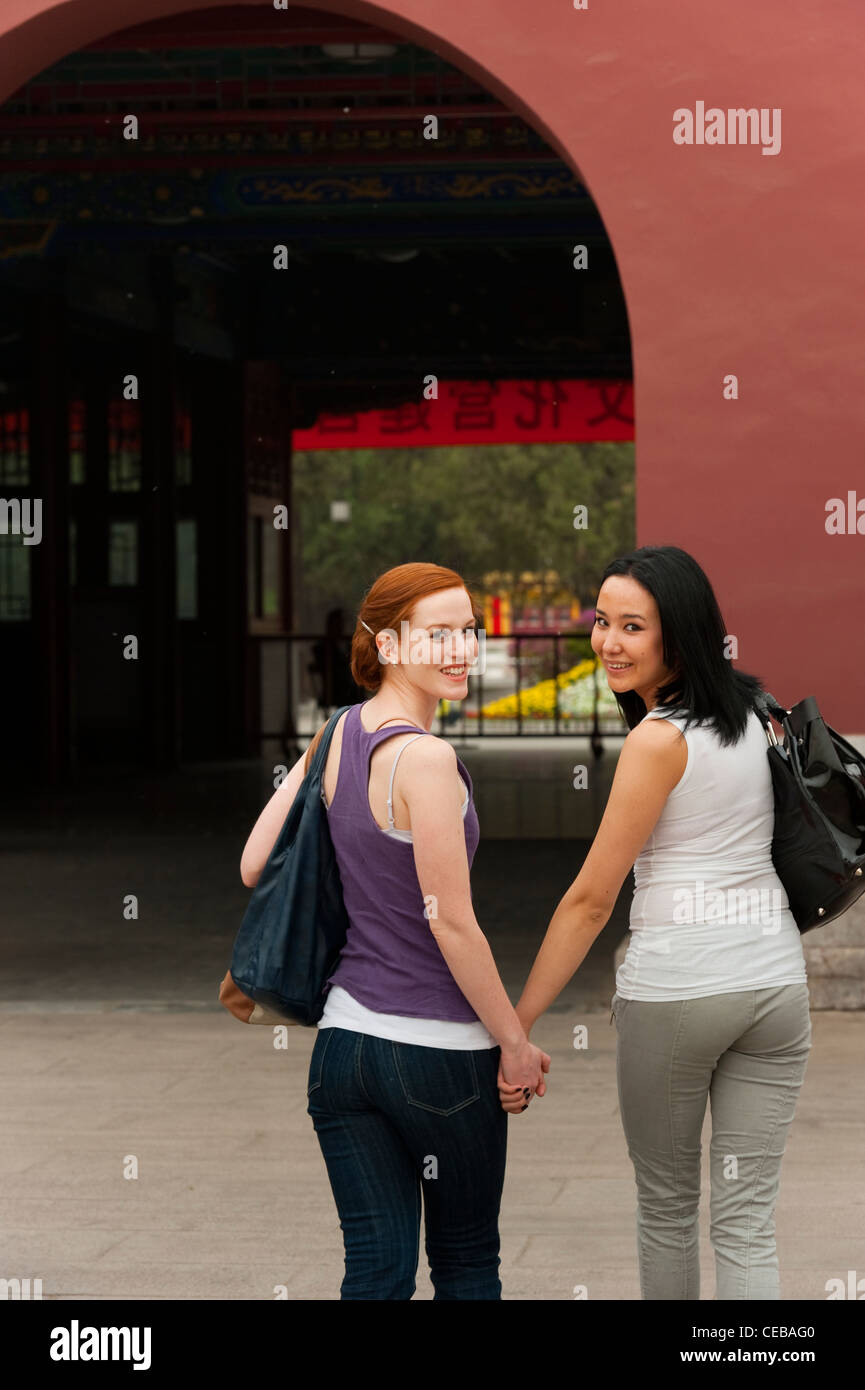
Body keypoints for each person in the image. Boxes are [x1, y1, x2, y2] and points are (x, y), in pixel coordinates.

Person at [499, 545, 810, 1300]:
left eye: (632, 626)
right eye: (602, 622)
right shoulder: (757, 712)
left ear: (680, 633)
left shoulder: (656, 740)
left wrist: (517, 1024)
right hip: (774, 989)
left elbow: (590, 900)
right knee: (745, 1221)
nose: (608, 641)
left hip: (677, 995)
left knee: (667, 1209)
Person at [240, 561, 550, 1300]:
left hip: (343, 1053)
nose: (459, 650)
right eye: (436, 634)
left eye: (468, 631)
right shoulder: (428, 759)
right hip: (439, 1058)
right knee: (467, 1264)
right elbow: (453, 926)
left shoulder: (335, 735)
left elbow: (255, 864)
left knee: (375, 1273)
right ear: (386, 645)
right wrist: (514, 1043)